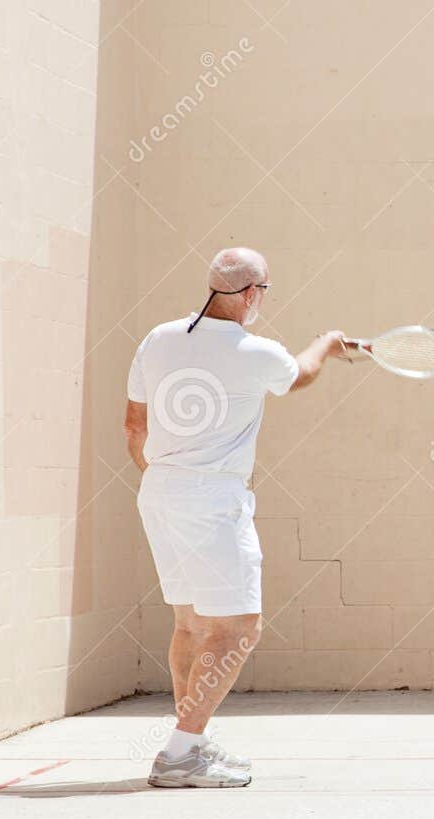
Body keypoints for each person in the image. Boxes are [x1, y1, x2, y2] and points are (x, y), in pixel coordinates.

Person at [123, 247, 355, 788]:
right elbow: (300, 374)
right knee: (239, 628)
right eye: (264, 293)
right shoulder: (258, 351)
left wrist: (167, 478)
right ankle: (179, 756)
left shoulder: (157, 339)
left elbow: (134, 426)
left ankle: (192, 745)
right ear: (251, 294)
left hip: (159, 491)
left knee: (190, 623)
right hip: (212, 501)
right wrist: (328, 342)